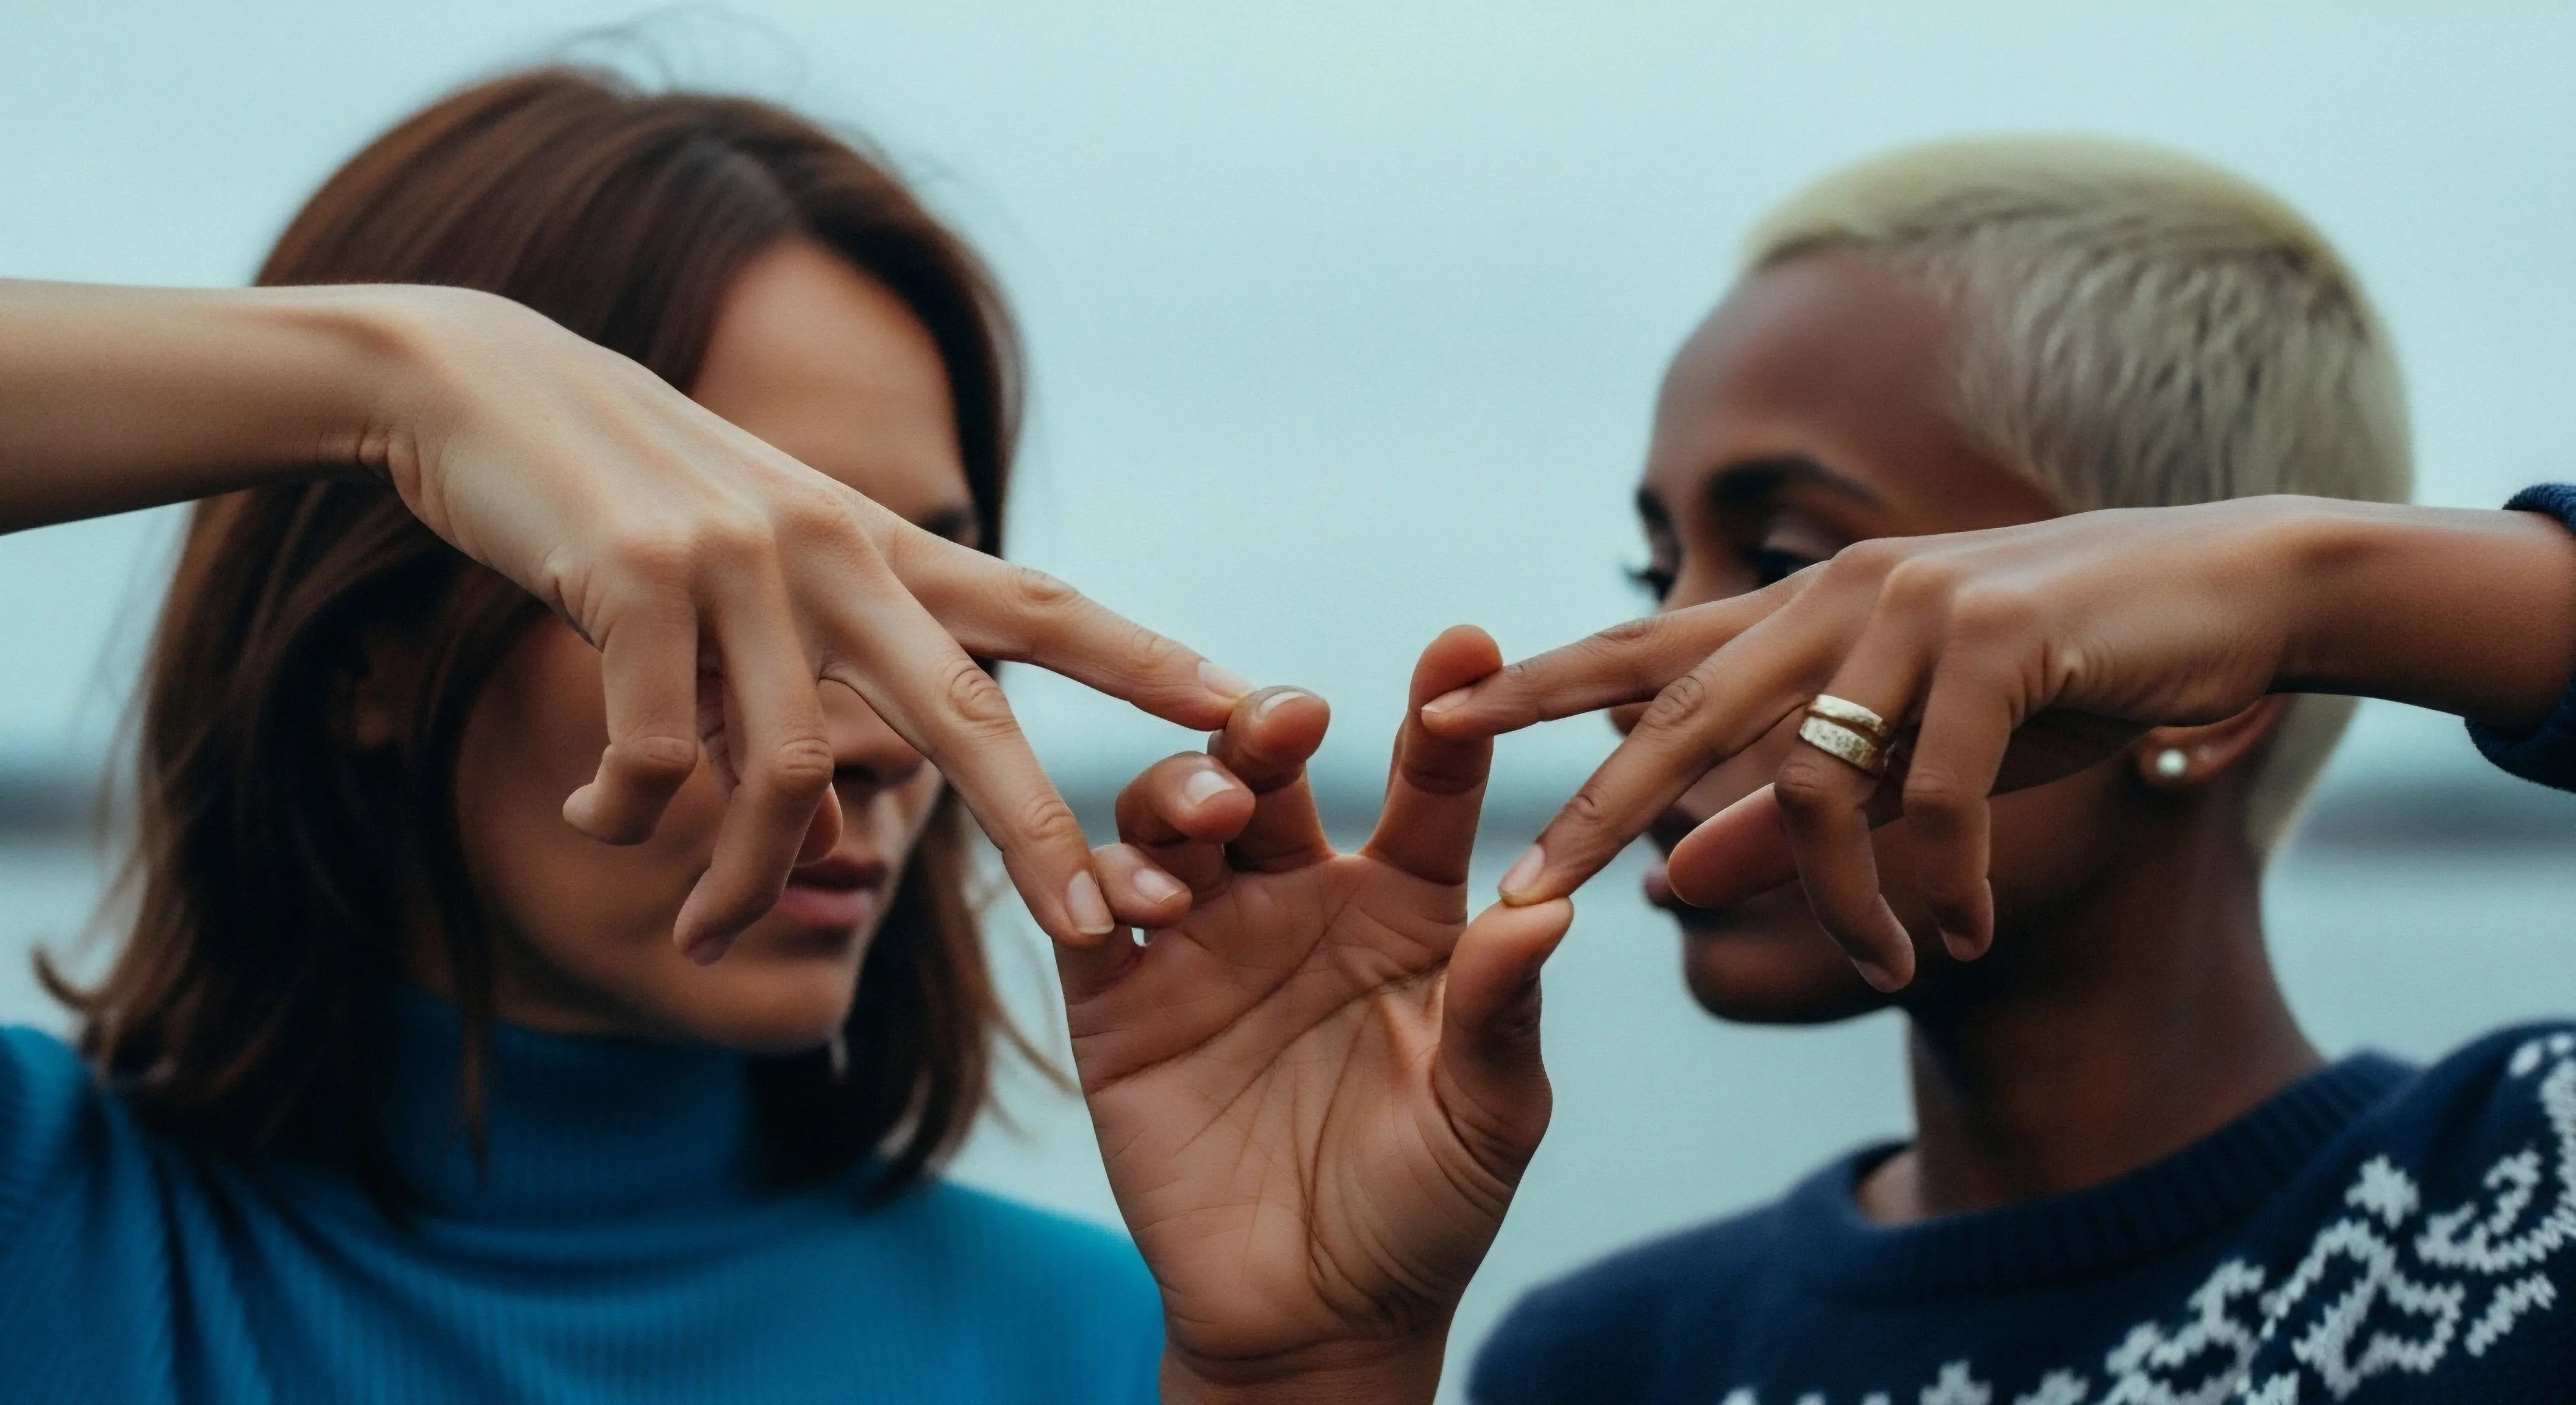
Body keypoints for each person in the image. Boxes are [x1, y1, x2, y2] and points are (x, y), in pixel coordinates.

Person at [0, 66, 1390, 1404]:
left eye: (927, 599)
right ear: (367, 651)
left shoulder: (1153, 1346)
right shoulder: (49, 1237)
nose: (890, 737)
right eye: (734, 591)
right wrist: (395, 375)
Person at [1418, 137, 2575, 1402]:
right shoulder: (1612, 1362)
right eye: (1657, 580)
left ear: (2202, 675)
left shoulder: (2529, 1201)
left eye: (1784, 569)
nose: (1659, 678)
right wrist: (1304, 1363)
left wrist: (2311, 592)